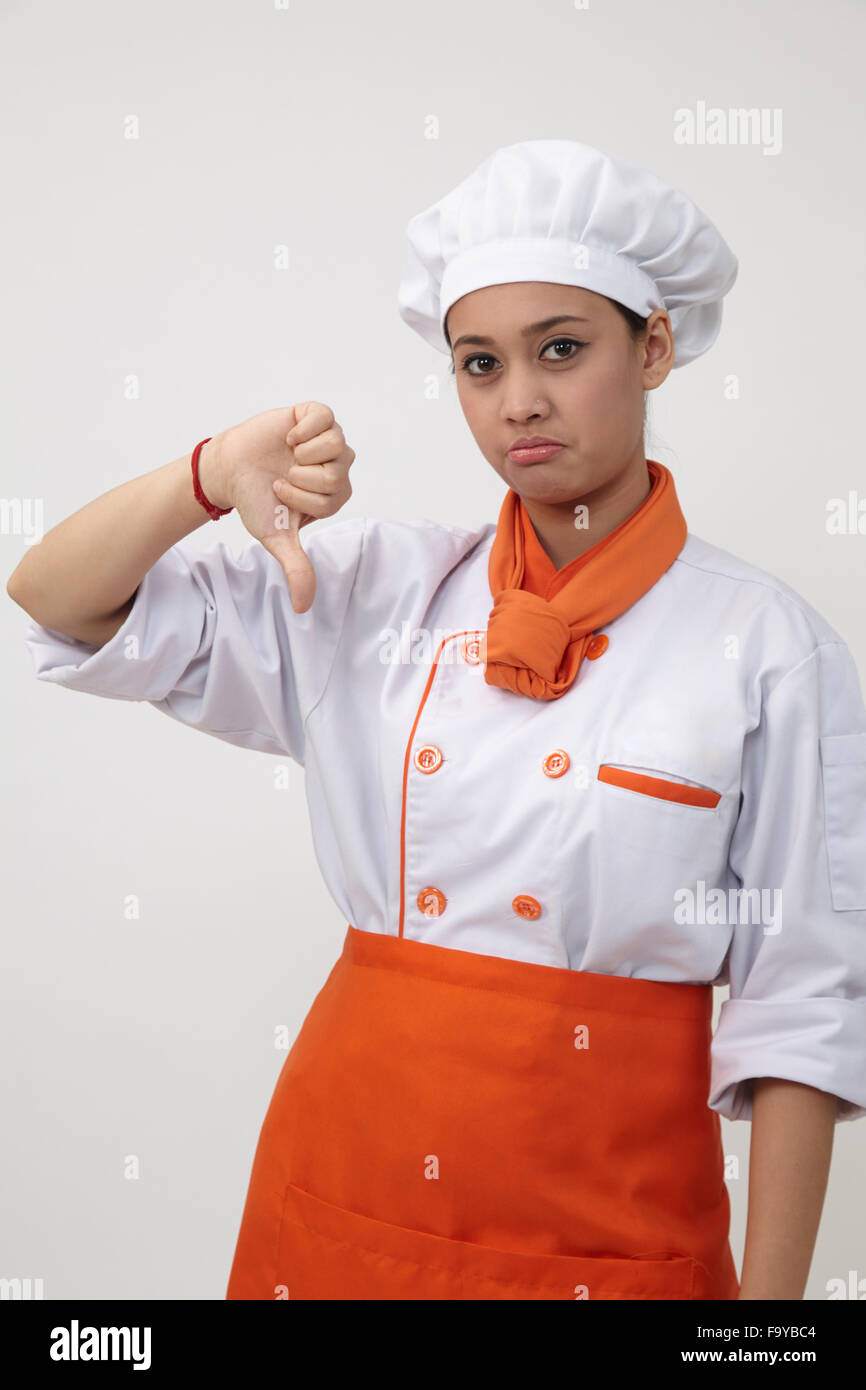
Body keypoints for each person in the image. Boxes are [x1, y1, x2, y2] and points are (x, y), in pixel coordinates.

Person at [9, 139, 866, 1302]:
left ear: (652, 345)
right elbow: (58, 604)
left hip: (614, 1235)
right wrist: (210, 473)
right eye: (478, 363)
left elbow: (798, 1013)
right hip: (343, 1200)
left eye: (561, 348)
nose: (518, 400)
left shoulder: (768, 649)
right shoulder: (371, 595)